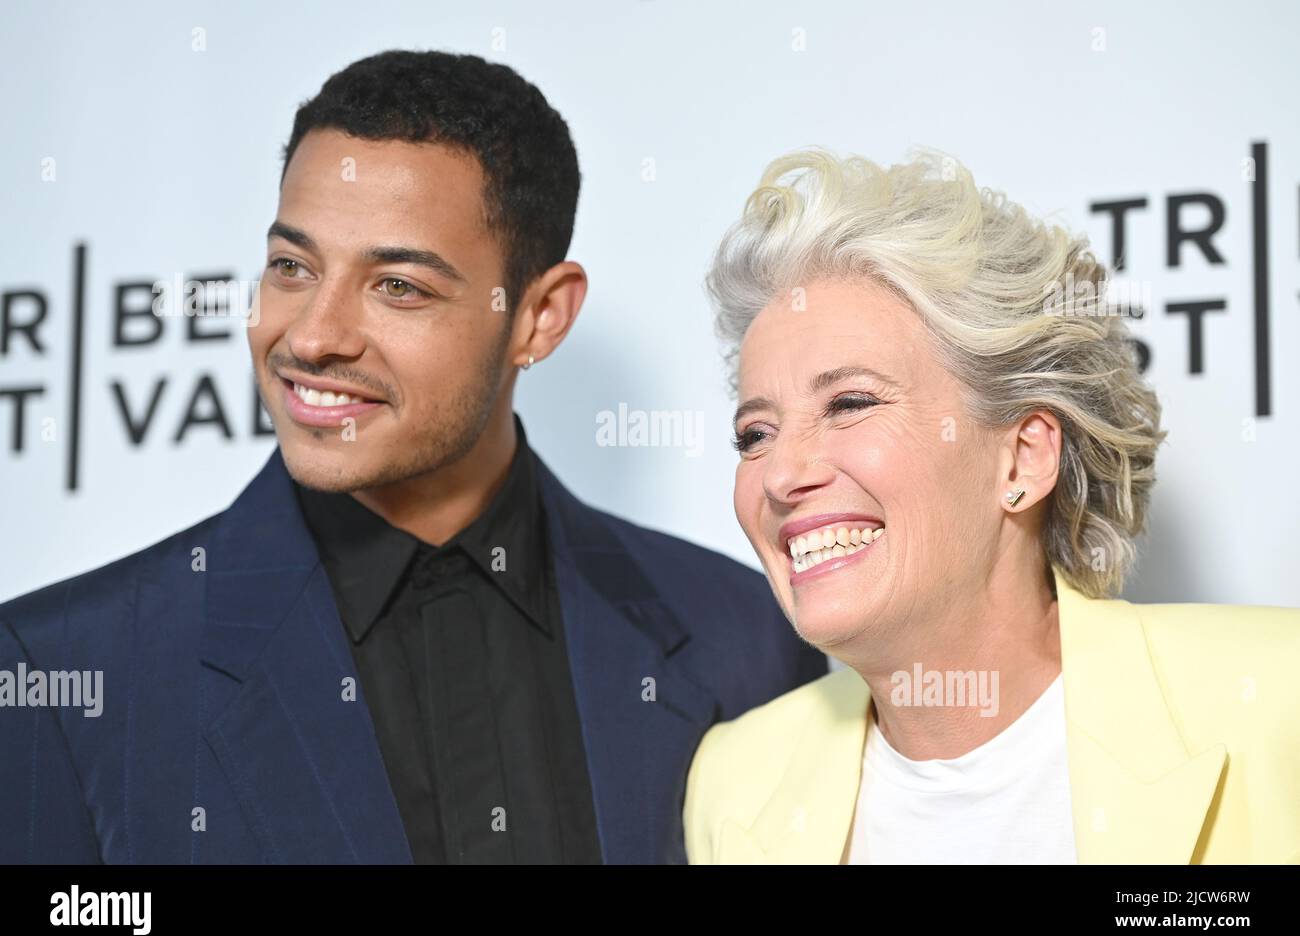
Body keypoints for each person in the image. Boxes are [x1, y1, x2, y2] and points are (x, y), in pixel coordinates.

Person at [0, 51, 827, 865]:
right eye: (292, 266)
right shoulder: (71, 669)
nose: (314, 336)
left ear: (540, 316)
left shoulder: (743, 634)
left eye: (397, 285)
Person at [683, 148, 1300, 864]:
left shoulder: (1279, 697)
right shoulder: (730, 786)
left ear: (1024, 456)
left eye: (849, 403)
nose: (782, 473)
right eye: (755, 433)